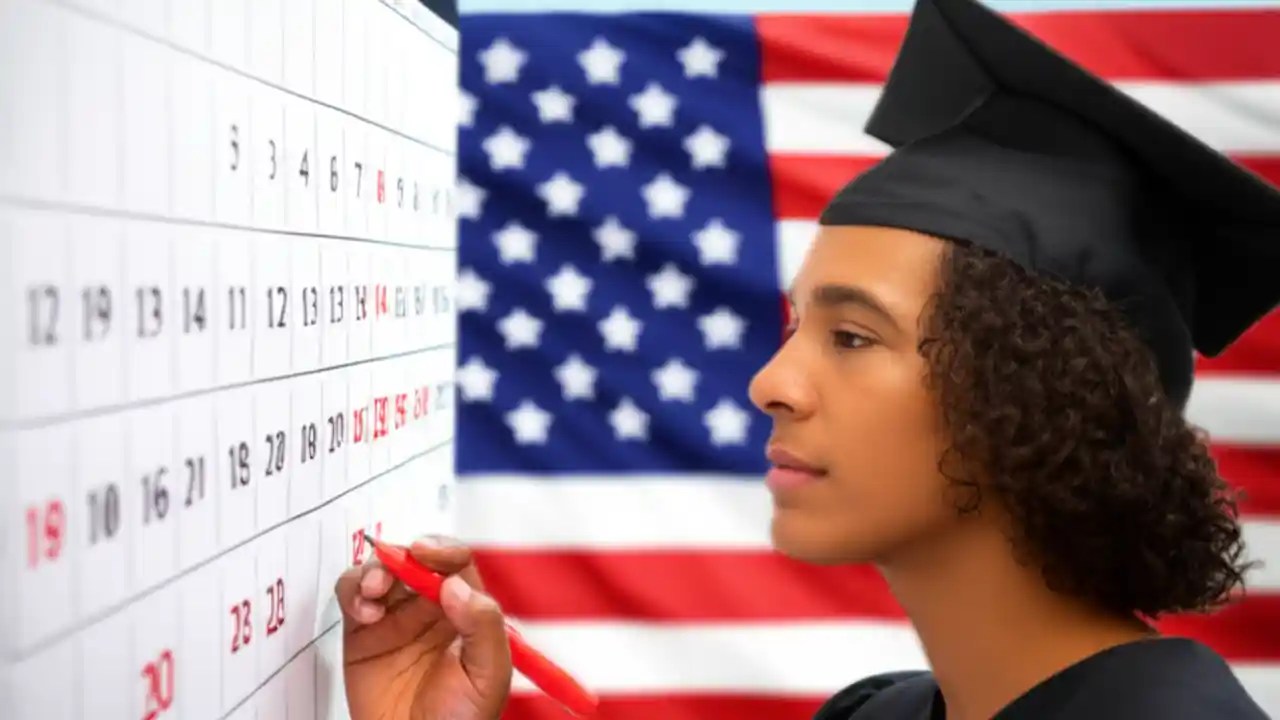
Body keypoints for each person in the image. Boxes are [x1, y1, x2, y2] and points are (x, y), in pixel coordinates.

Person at [334, 0, 1280, 717]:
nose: (770, 383)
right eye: (796, 329)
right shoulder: (880, 712)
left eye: (854, 336)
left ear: (1040, 399)